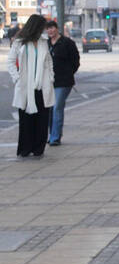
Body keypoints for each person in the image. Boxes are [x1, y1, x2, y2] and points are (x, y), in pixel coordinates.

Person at [8, 14, 54, 159]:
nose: (44, 31)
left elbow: (48, 62)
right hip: (26, 87)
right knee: (26, 120)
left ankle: (38, 148)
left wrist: (51, 77)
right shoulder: (19, 42)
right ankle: (25, 148)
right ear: (35, 27)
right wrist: (17, 79)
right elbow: (10, 62)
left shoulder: (43, 42)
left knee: (42, 119)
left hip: (41, 86)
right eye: (41, 27)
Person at [45, 20, 80, 146]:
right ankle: (52, 134)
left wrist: (69, 72)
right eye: (48, 29)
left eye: (52, 28)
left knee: (57, 107)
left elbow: (75, 61)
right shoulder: (46, 44)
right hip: (49, 82)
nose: (50, 31)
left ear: (57, 28)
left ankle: (55, 137)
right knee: (49, 109)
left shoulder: (67, 43)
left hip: (64, 82)